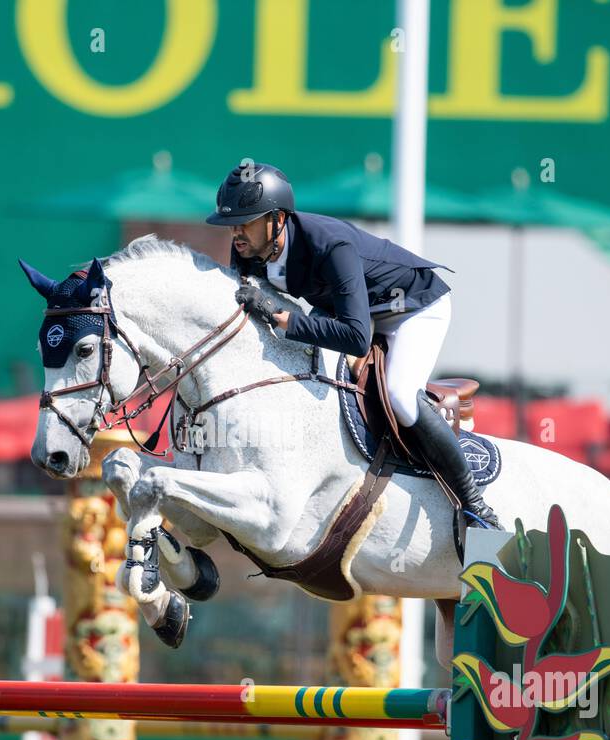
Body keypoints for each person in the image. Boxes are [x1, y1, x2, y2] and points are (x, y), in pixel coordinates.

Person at [205, 160, 498, 528]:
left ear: (277, 219)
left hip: (412, 308)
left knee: (400, 396)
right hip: (355, 312)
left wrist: (286, 320)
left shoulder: (331, 245)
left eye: (244, 222)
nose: (236, 234)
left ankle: (476, 507)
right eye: (232, 225)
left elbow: (357, 338)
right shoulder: (249, 250)